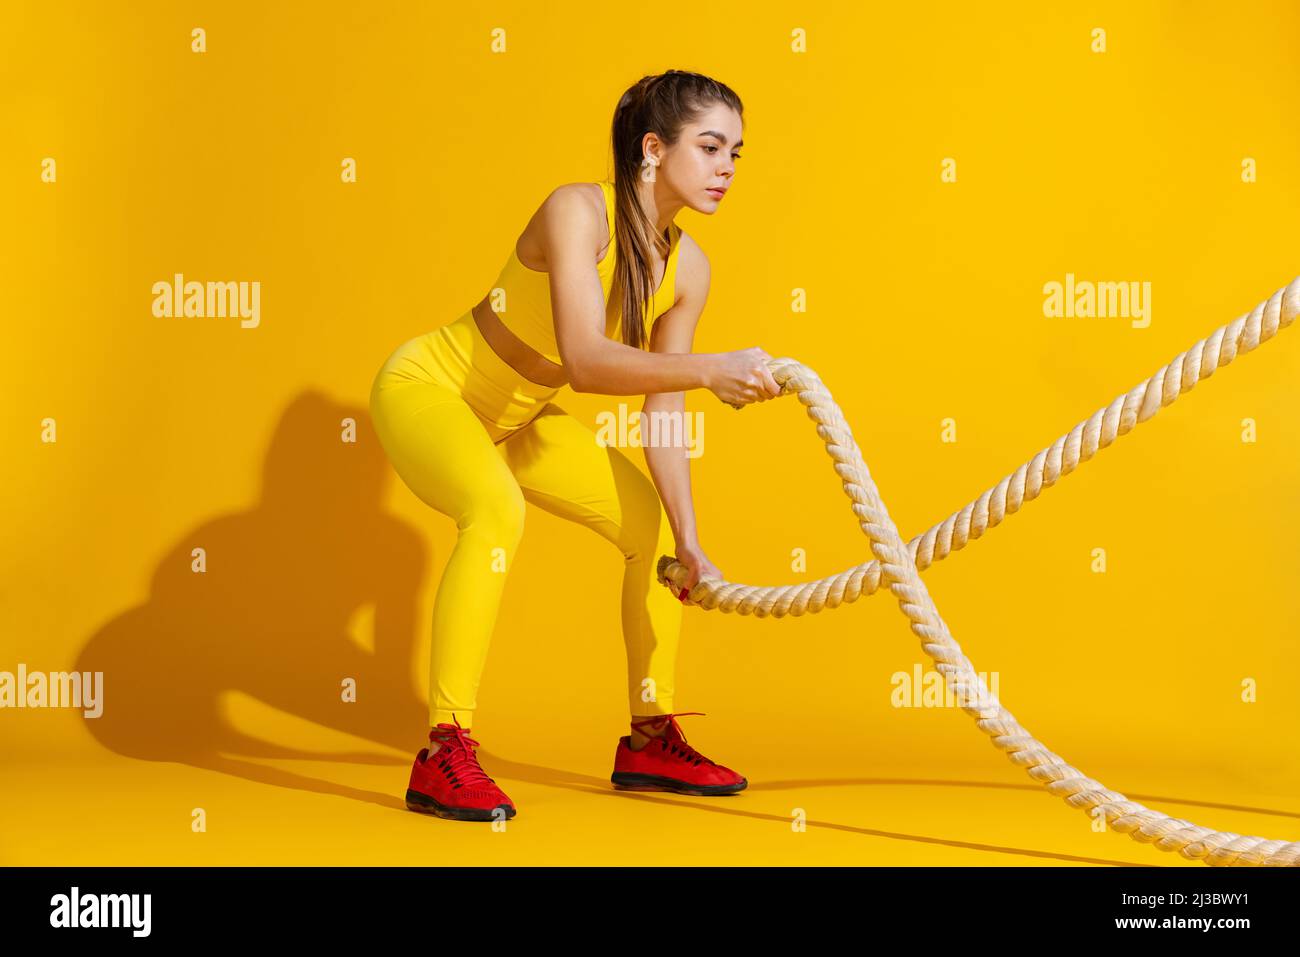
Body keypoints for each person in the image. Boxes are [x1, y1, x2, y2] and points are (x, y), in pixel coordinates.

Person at [368, 69, 782, 822]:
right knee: (494, 509)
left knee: (651, 532)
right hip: (431, 390)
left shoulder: (689, 269)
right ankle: (444, 747)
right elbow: (586, 362)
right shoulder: (577, 212)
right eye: (711, 146)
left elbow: (664, 410)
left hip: (520, 421)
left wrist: (690, 538)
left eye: (737, 153)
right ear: (653, 149)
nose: (727, 167)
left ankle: (651, 736)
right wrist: (710, 367)